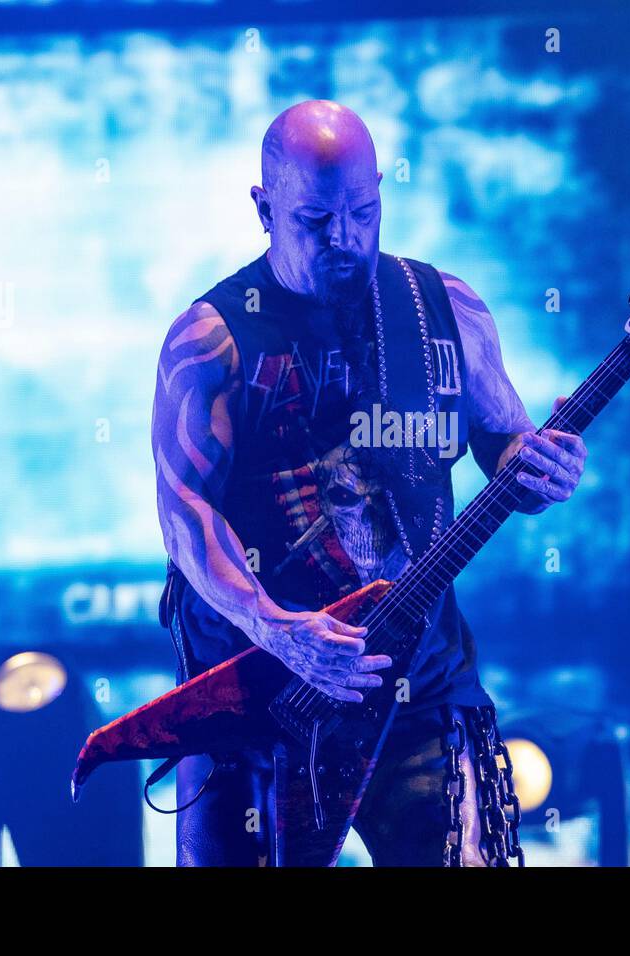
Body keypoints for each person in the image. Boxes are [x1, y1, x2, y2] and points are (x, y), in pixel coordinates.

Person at [153, 100, 586, 866]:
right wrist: (277, 628)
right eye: (315, 220)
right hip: (260, 698)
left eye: (363, 211)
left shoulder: (444, 309)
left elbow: (504, 443)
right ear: (264, 209)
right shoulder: (213, 337)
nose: (344, 239)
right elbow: (185, 511)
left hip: (416, 679)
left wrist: (537, 463)